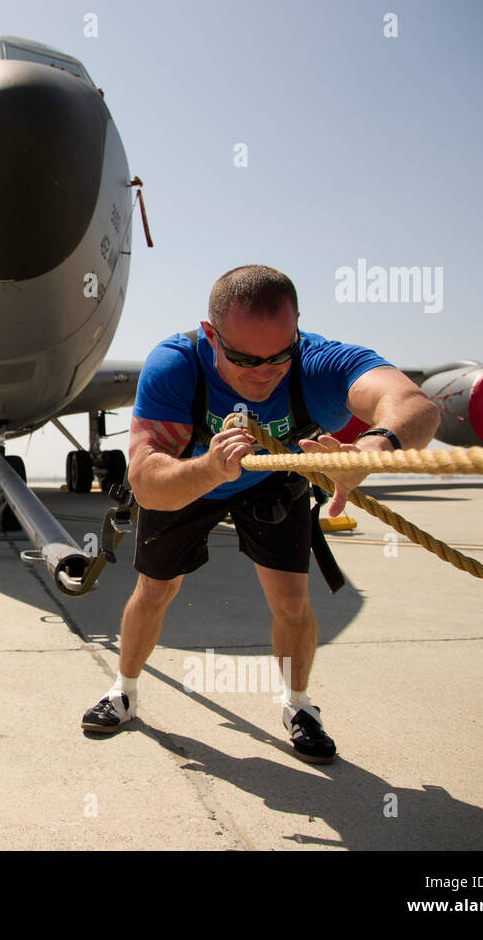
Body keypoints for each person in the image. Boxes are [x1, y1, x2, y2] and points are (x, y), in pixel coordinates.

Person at [81, 265, 440, 762]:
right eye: (245, 358)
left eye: (280, 355)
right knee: (155, 590)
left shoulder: (320, 362)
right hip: (190, 476)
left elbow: (414, 405)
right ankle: (123, 691)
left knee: (292, 601)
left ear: (297, 331)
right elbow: (146, 483)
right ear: (212, 335)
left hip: (274, 480)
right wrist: (209, 468)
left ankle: (298, 706)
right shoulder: (177, 363)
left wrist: (371, 449)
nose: (266, 372)